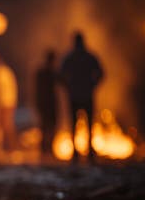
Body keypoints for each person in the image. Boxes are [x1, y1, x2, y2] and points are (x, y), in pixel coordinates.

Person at [60, 31, 103, 162]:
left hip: (74, 96)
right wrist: (93, 86)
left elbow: (60, 75)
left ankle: (76, 154)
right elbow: (101, 73)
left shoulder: (69, 57)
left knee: (74, 124)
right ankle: (89, 152)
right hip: (86, 95)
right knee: (89, 125)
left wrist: (68, 87)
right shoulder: (90, 56)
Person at [0, 47, 18, 152]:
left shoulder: (0, 72)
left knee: (4, 126)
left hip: (3, 103)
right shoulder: (6, 71)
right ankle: (6, 147)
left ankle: (9, 147)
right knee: (4, 126)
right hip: (7, 102)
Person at [35, 50, 58, 158]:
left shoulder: (41, 72)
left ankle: (45, 149)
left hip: (44, 103)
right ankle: (47, 149)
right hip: (49, 103)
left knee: (45, 127)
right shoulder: (53, 73)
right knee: (50, 127)